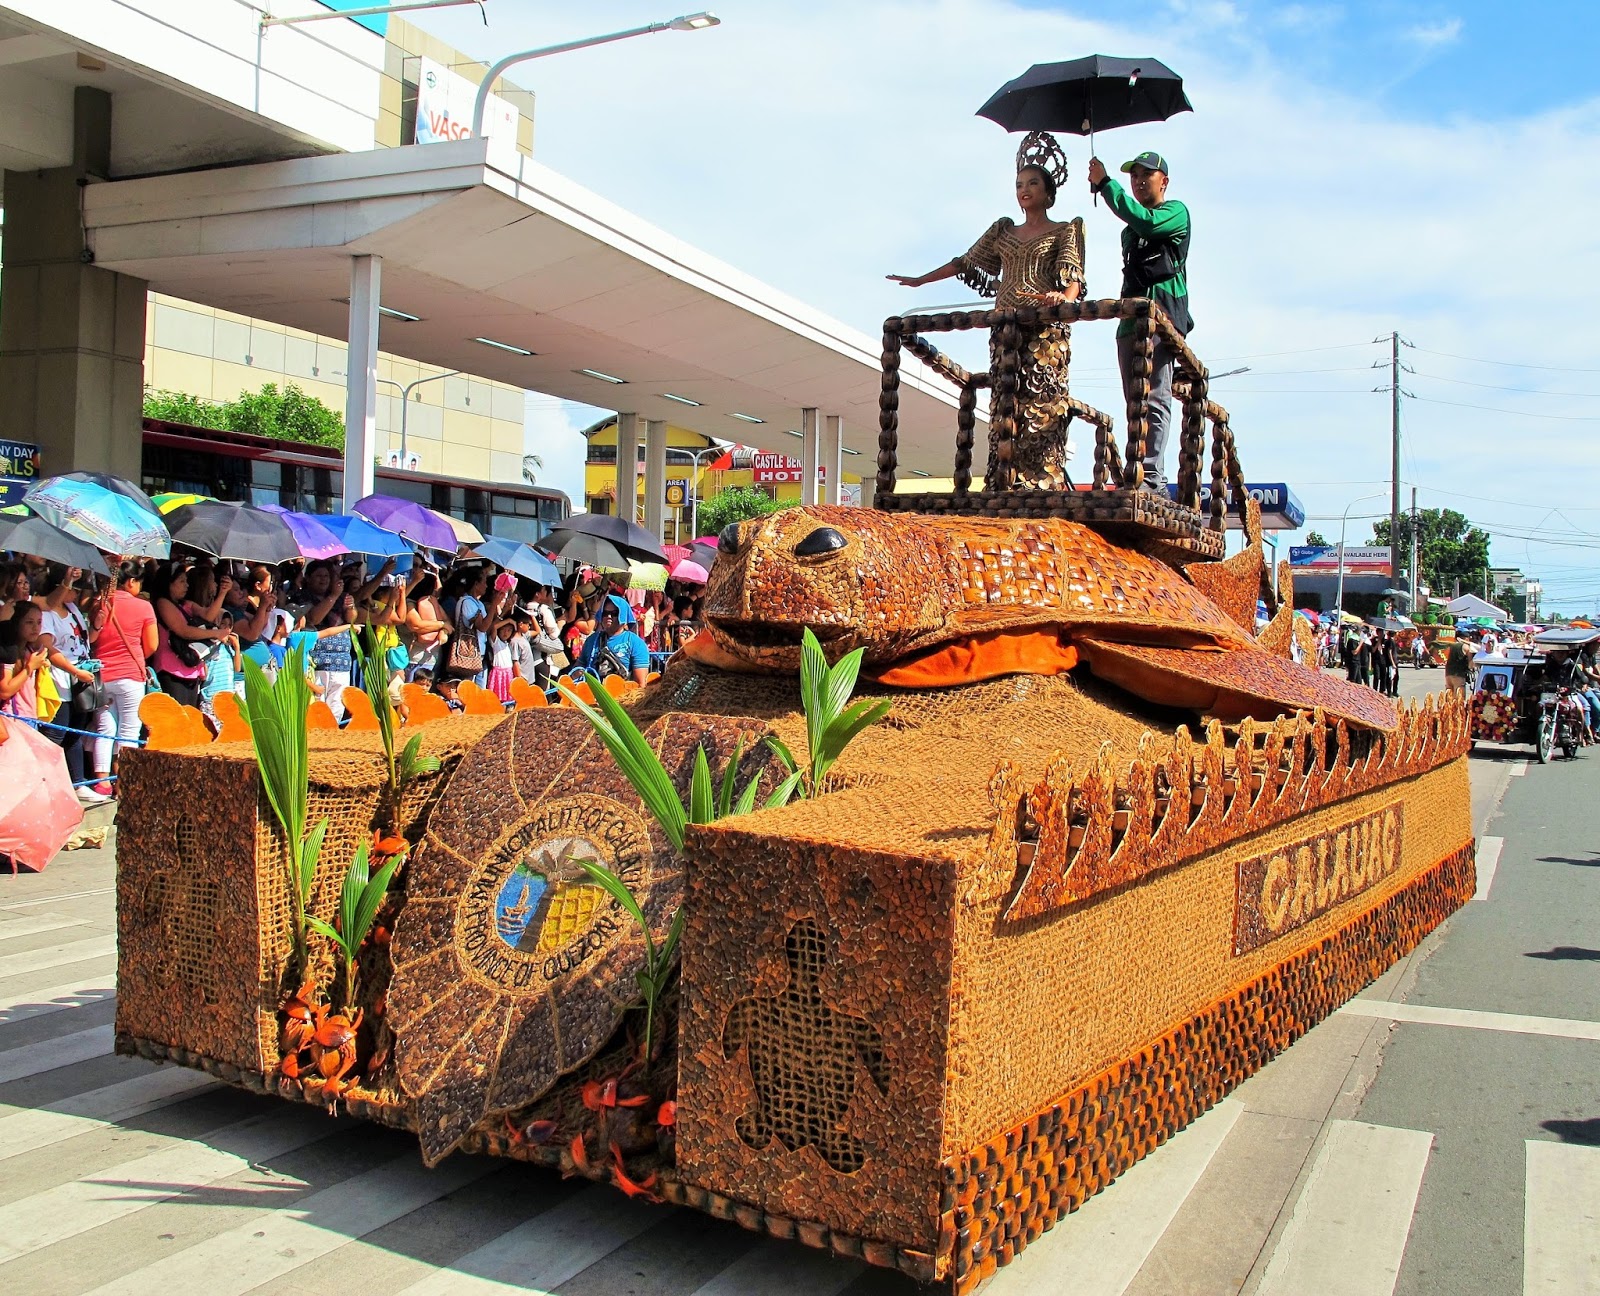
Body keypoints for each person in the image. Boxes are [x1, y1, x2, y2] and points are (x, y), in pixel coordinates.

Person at [889, 132, 1085, 488]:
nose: (1024, 190)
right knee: (1004, 403)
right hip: (1004, 327)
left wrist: (1063, 298)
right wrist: (920, 280)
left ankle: (1040, 480)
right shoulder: (1004, 230)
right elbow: (965, 262)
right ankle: (1003, 479)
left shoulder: (1064, 230)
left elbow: (1073, 278)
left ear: (1048, 191)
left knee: (1038, 406)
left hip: (1043, 333)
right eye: (1019, 184)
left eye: (1033, 183)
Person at [1086, 149, 1192, 491]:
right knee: (1135, 401)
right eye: (1133, 175)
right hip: (1130, 323)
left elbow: (1146, 221)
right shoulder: (1129, 233)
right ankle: (1136, 474)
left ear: (1164, 180)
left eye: (1146, 174)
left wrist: (1105, 184)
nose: (1139, 181)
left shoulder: (1175, 213)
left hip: (1161, 319)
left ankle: (1153, 477)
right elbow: (1135, 232)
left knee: (1156, 397)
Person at [89, 562, 159, 799]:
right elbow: (151, 645)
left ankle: (101, 783)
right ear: (131, 581)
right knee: (128, 731)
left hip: (100, 675)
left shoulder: (99, 603)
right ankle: (123, 785)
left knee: (105, 729)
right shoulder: (143, 607)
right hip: (130, 675)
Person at [35, 566, 99, 800]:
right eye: (73, 587)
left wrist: (97, 625)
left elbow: (84, 641)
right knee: (56, 734)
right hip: (59, 679)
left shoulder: (72, 609)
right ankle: (49, 785)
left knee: (76, 732)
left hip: (80, 679)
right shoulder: (47, 614)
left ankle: (78, 782)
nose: (77, 593)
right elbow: (48, 648)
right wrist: (74, 671)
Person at [148, 565, 227, 709]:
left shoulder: (186, 604)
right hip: (171, 669)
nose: (187, 585)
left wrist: (222, 593)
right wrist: (215, 633)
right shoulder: (163, 603)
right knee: (177, 717)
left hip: (191, 669)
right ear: (168, 584)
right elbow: (182, 630)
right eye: (181, 582)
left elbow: (208, 615)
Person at [577, 595, 651, 686]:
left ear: (623, 616)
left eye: (614, 613)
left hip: (621, 697)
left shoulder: (635, 643)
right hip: (592, 696)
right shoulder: (592, 640)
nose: (608, 616)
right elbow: (577, 671)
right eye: (605, 613)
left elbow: (640, 684)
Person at [486, 619, 517, 704]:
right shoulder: (496, 642)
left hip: (508, 673)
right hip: (498, 673)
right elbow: (494, 627)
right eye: (503, 629)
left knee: (508, 696)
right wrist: (509, 621)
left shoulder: (508, 644)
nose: (505, 633)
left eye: (509, 630)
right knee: (497, 696)